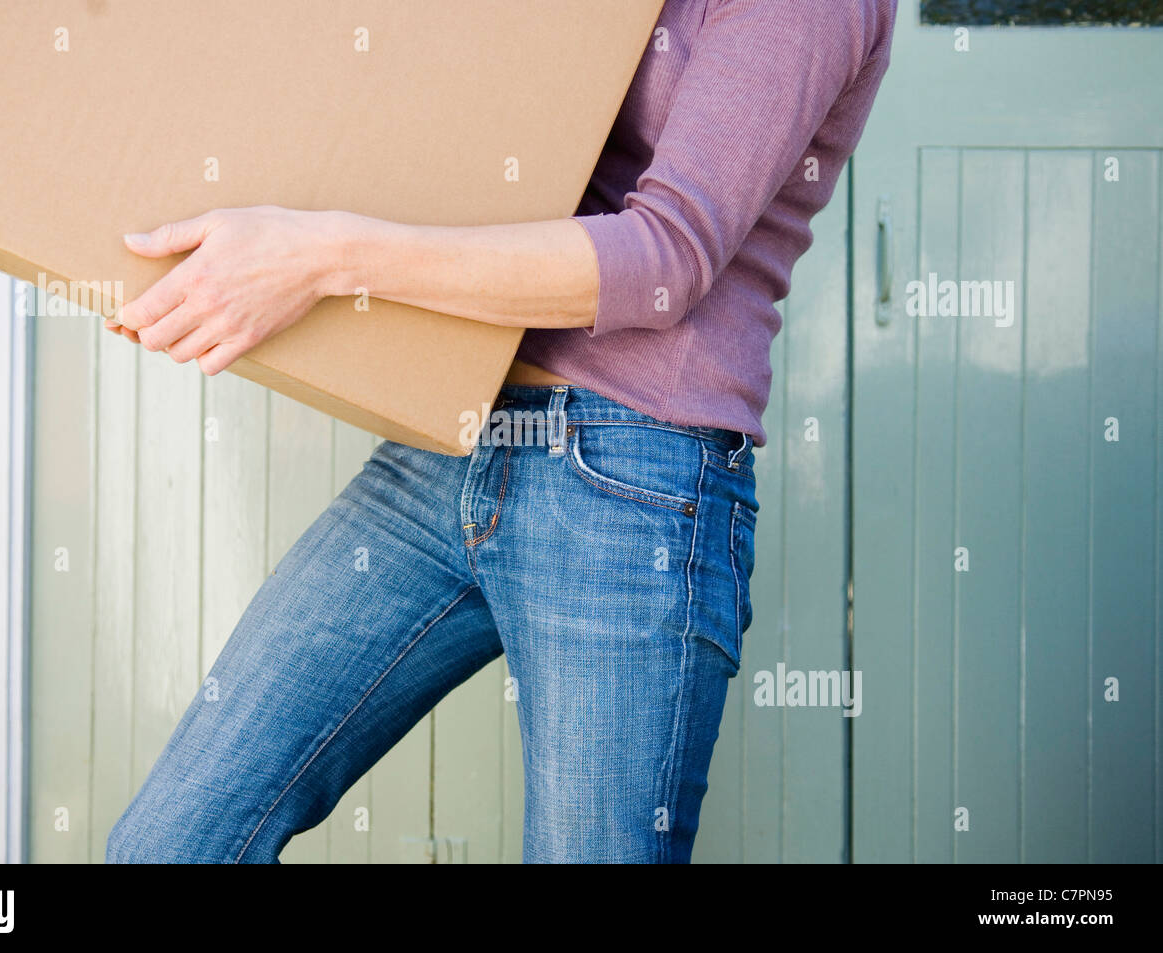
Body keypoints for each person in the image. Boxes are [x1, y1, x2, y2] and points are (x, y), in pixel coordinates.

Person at [105, 0, 896, 863]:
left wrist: (324, 257)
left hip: (632, 478)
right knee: (170, 844)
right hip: (458, 435)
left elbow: (665, 258)